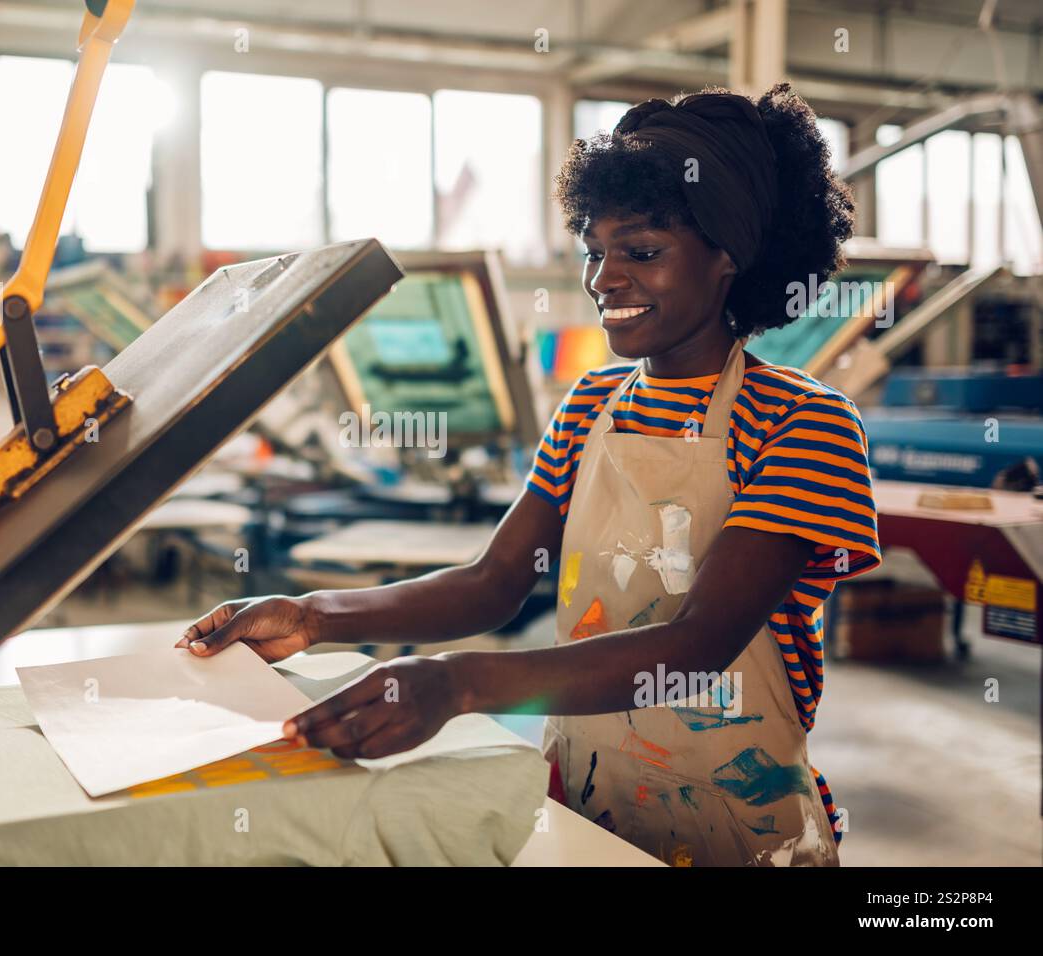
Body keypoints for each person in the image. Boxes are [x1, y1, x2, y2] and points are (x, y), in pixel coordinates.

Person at [179, 83, 881, 866]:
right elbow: (495, 581)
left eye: (640, 252)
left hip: (739, 824)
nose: (603, 279)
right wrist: (313, 616)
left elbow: (696, 647)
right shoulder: (590, 406)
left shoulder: (805, 423)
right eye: (594, 251)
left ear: (729, 259)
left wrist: (458, 684)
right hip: (584, 796)